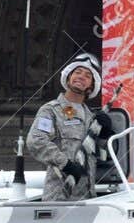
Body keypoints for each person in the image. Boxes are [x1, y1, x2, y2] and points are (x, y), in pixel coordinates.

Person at [28, 53, 107, 202]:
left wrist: (104, 135)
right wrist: (65, 164)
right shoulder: (51, 110)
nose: (81, 77)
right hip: (60, 197)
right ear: (69, 77)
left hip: (88, 198)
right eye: (77, 72)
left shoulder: (91, 117)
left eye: (87, 76)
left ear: (91, 86)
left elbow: (100, 156)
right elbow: (36, 141)